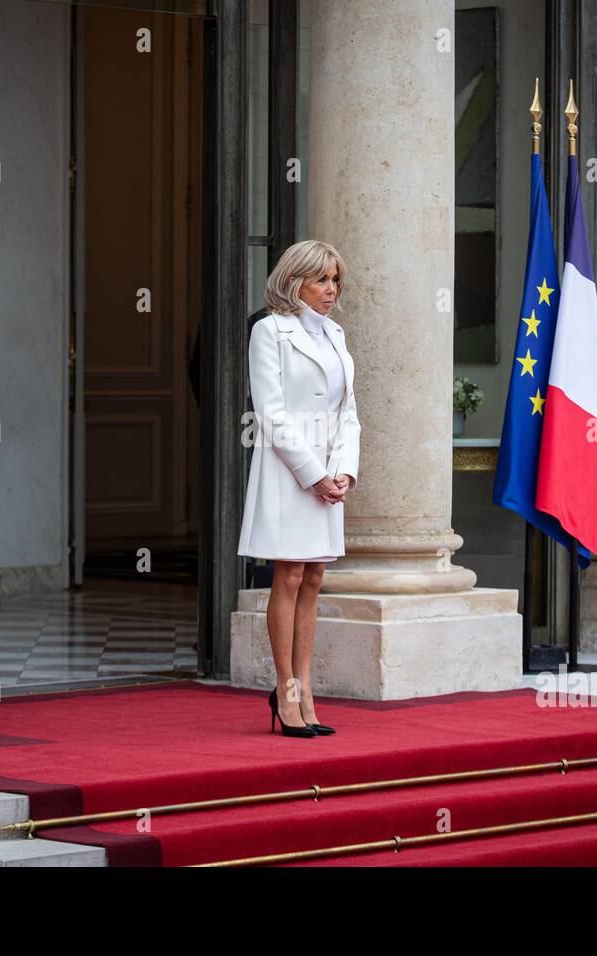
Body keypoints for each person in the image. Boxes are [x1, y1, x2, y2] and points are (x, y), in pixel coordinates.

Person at [237, 239, 360, 738]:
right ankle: (286, 690)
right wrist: (314, 474)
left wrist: (344, 472)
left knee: (314, 578)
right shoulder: (270, 331)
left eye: (336, 281)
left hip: (329, 474)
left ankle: (306, 687)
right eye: (322, 280)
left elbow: (347, 412)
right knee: (288, 576)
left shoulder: (336, 334)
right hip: (290, 472)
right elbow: (270, 413)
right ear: (294, 282)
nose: (331, 290)